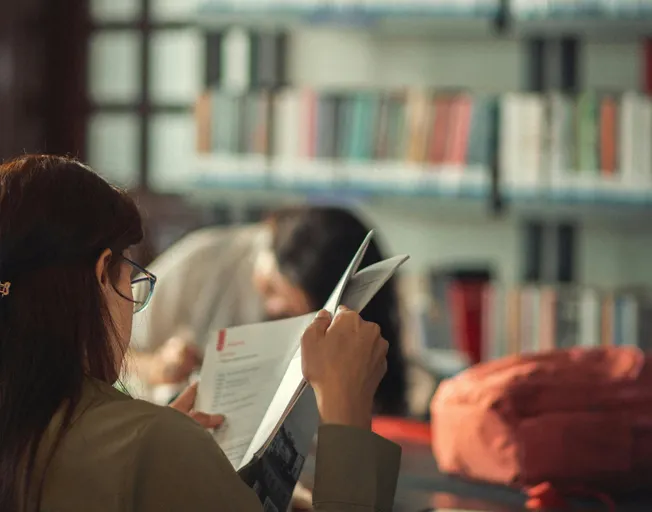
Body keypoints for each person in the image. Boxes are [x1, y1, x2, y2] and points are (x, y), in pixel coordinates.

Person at [0, 155, 401, 512]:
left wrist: (161, 446)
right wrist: (345, 408)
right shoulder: (152, 444)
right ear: (102, 273)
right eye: (132, 279)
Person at [128, 205, 408, 416]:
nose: (273, 307)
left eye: (296, 315)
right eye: (271, 289)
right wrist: (156, 366)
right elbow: (99, 349)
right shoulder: (202, 262)